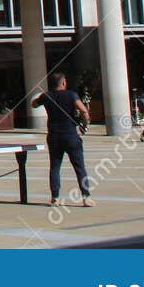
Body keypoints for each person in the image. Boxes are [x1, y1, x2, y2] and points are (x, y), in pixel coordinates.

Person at [32, 72, 91, 207]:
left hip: (54, 136)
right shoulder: (71, 95)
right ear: (64, 82)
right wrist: (84, 125)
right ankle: (86, 197)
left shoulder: (46, 96)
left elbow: (33, 104)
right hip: (70, 135)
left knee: (55, 167)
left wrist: (41, 97)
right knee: (79, 167)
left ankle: (55, 198)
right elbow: (84, 111)